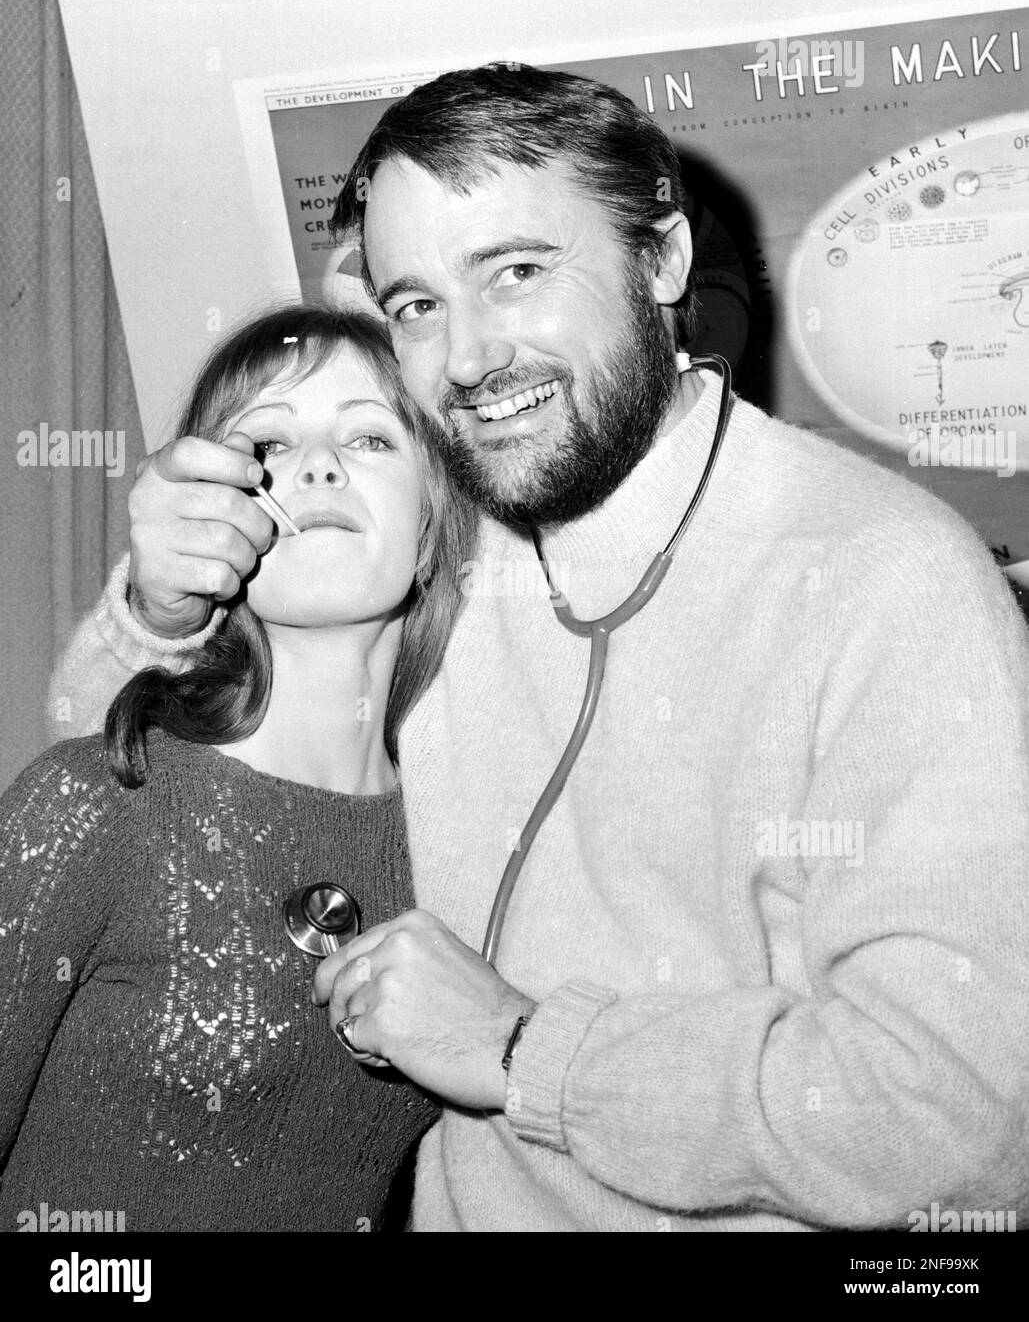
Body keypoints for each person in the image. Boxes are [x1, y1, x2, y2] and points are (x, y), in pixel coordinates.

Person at [50, 64, 1029, 1232]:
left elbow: (962, 1124)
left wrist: (526, 1049)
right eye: (415, 305)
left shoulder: (892, 583)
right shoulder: (449, 537)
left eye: (516, 272)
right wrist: (162, 610)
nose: (467, 360)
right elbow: (116, 762)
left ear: (662, 261)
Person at [1, 305, 476, 1232]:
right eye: (268, 443)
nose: (318, 465)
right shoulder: (97, 800)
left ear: (432, 526)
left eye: (371, 437)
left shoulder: (467, 849)